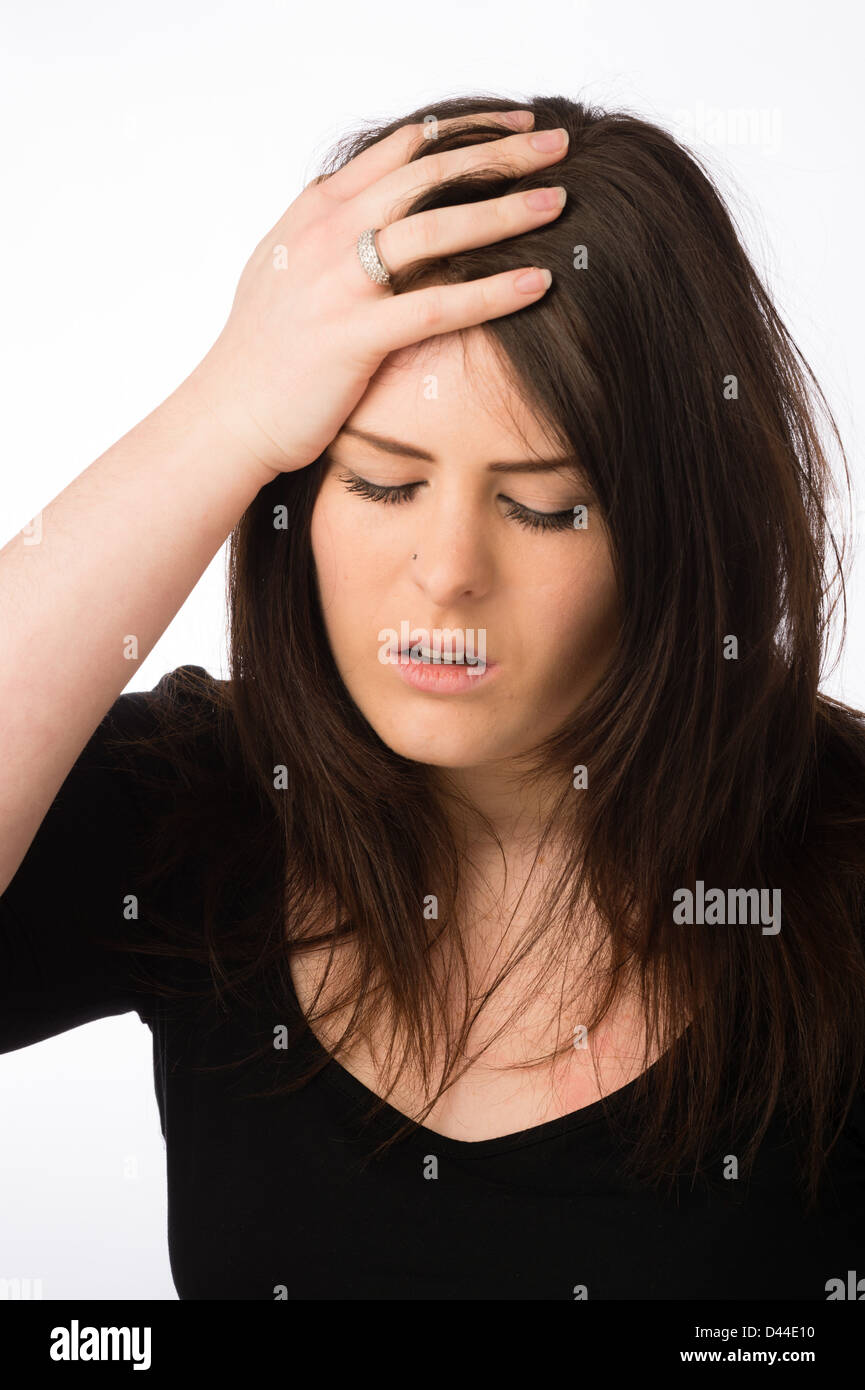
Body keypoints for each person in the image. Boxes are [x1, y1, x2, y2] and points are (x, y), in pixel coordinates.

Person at [1, 93, 864, 1301]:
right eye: (383, 483)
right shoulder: (200, 811)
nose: (449, 568)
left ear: (677, 534)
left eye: (545, 503)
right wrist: (222, 412)